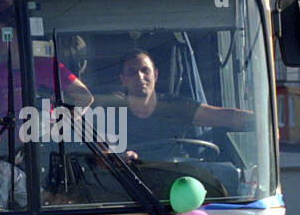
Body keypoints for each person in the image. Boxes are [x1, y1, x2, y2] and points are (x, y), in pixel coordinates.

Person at [100, 49, 252, 157]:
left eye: (145, 70)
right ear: (123, 80)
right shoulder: (111, 115)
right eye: (132, 72)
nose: (140, 76)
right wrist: (119, 159)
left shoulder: (174, 106)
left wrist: (263, 121)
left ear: (156, 75)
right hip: (130, 190)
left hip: (176, 184)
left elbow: (219, 116)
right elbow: (99, 157)